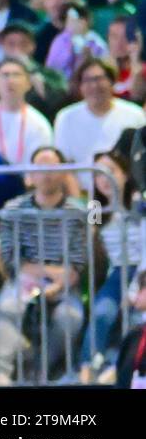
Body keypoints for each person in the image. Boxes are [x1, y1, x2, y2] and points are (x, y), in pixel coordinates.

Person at [0, 146, 104, 384]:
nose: (46, 173)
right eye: (40, 167)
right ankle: (1, 374)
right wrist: (48, 273)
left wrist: (59, 283)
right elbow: (12, 259)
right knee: (8, 306)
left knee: (70, 316)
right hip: (23, 279)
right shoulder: (13, 209)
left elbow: (77, 262)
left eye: (53, 167)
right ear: (30, 174)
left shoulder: (78, 212)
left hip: (64, 284)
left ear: (63, 173)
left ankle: (41, 369)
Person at [80, 151, 142, 383]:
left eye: (110, 172)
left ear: (125, 173)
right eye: (98, 174)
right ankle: (87, 366)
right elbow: (91, 238)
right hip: (118, 270)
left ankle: (118, 366)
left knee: (136, 317)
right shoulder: (96, 207)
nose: (104, 179)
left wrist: (137, 286)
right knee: (102, 311)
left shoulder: (139, 201)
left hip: (142, 268)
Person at [52, 57, 146, 182]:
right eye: (87, 80)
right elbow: (63, 165)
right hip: (80, 195)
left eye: (99, 79)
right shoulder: (65, 117)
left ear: (112, 81)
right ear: (80, 86)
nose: (94, 85)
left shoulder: (134, 115)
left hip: (126, 193)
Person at [0, 59, 55, 166]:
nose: (10, 80)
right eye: (5, 75)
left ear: (28, 84)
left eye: (16, 75)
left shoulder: (39, 123)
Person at [45, 1, 108, 82]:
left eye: (78, 19)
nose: (75, 24)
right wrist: (70, 51)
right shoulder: (60, 40)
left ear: (86, 21)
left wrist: (88, 56)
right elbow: (53, 67)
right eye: (70, 20)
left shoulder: (95, 40)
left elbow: (105, 60)